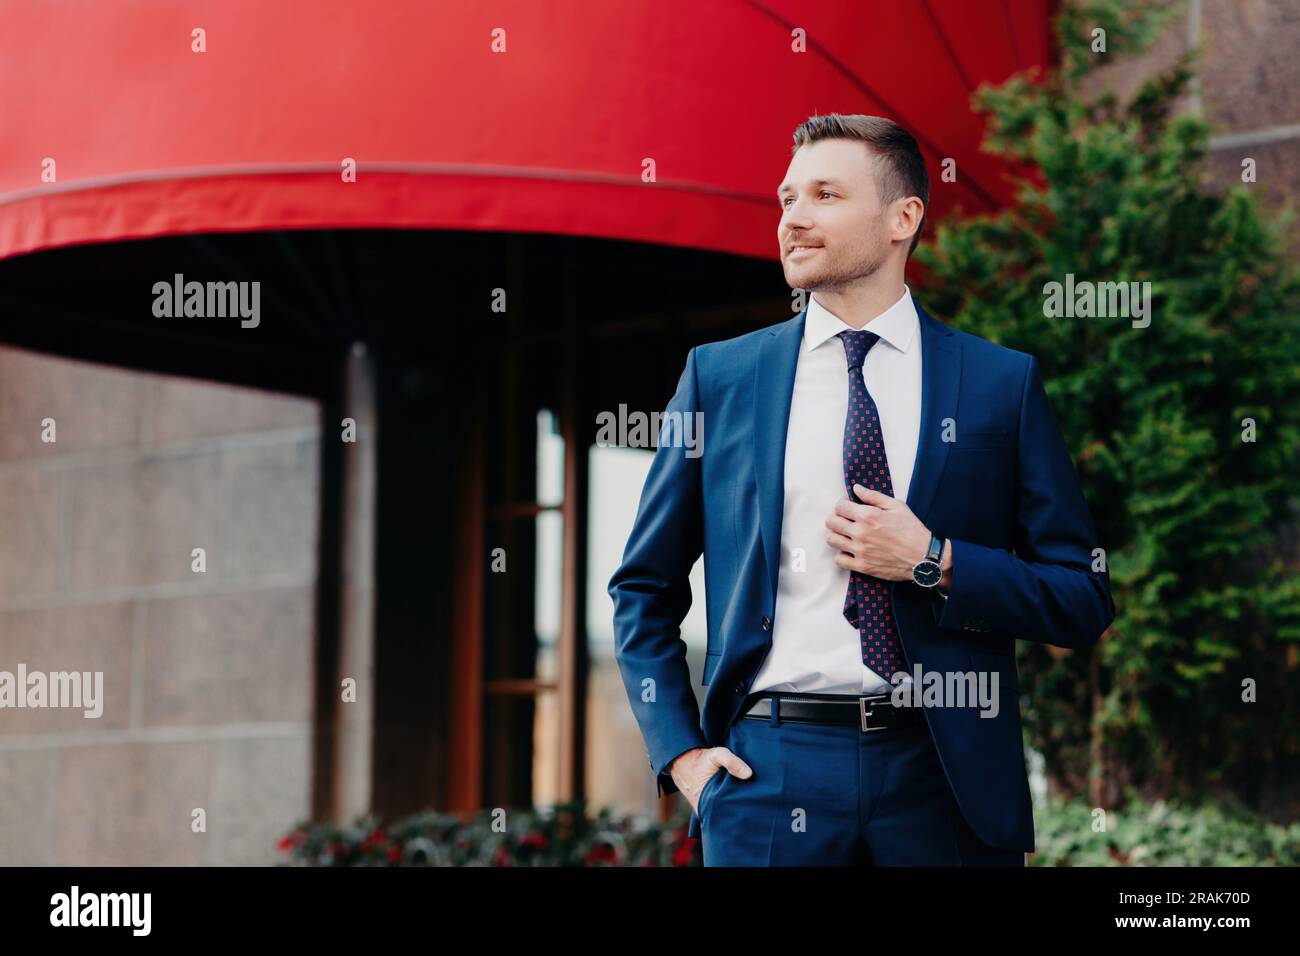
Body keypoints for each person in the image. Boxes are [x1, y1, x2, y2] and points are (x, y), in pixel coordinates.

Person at [608, 113, 1114, 866]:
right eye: (787, 199)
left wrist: (937, 561)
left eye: (824, 195)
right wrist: (683, 756)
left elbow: (1081, 597)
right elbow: (642, 587)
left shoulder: (1000, 385)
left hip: (945, 782)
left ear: (903, 217)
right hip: (768, 777)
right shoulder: (720, 380)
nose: (794, 219)